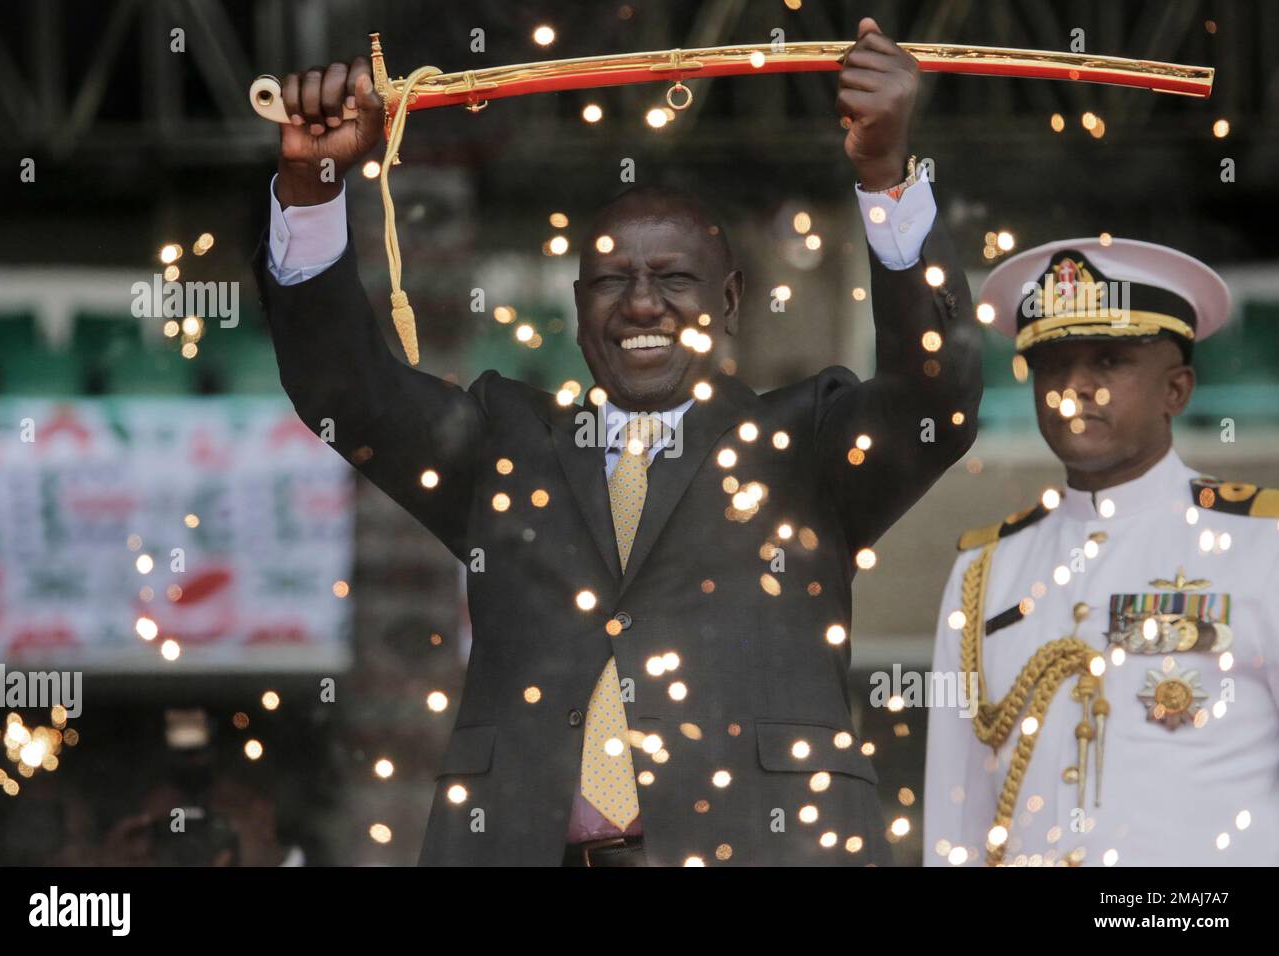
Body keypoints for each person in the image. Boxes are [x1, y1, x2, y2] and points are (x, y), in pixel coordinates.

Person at [256, 18, 980, 866]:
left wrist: (886, 175)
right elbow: (345, 390)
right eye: (612, 280)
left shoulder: (805, 442)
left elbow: (940, 397)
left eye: (674, 278)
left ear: (732, 301)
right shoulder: (504, 444)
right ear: (576, 306)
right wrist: (313, 186)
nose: (642, 305)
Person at [923, 236, 1279, 866]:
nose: (1074, 386)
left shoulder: (1262, 543)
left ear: (1177, 390)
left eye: (1108, 362)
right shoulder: (985, 570)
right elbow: (957, 806)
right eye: (1052, 364)